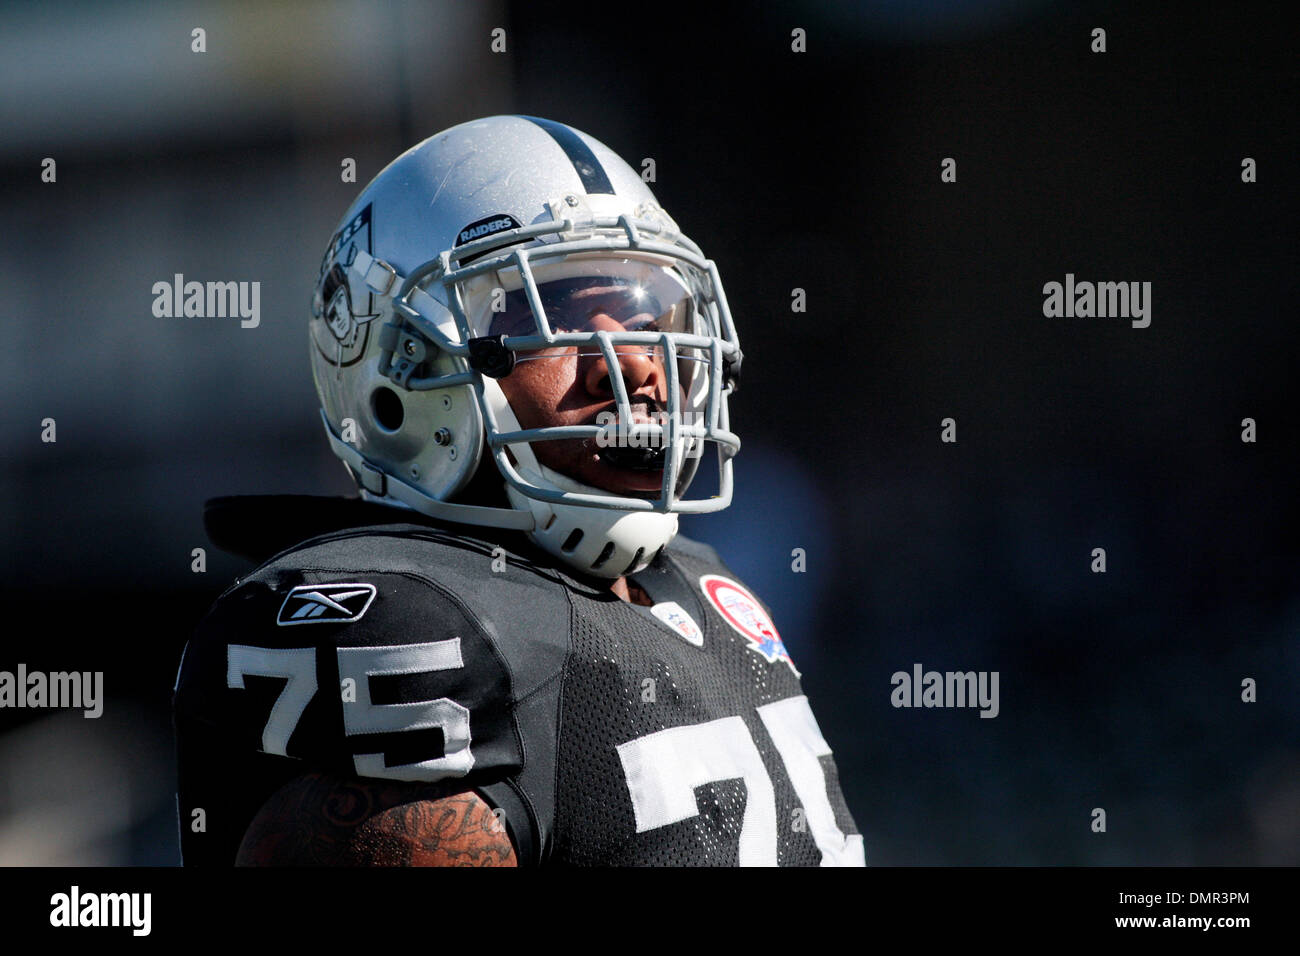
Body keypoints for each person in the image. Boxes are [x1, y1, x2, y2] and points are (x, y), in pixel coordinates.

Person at [172, 115, 865, 866]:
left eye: (646, 312)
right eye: (557, 313)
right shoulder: (437, 630)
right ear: (402, 378)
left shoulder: (704, 586)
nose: (636, 363)